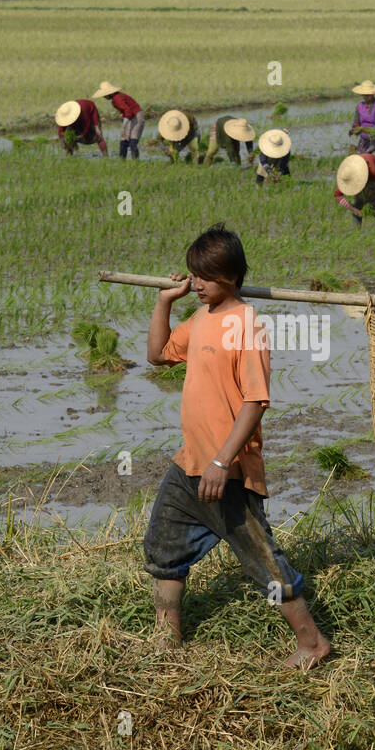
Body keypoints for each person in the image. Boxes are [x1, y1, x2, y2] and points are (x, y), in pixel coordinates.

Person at [144, 223, 333, 669]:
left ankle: (312, 643)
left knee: (263, 562)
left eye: (205, 278)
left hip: (224, 471)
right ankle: (166, 641)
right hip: (189, 464)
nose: (197, 285)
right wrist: (162, 303)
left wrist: (220, 460)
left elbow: (255, 401)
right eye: (194, 276)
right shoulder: (201, 318)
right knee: (163, 547)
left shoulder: (246, 324)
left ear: (230, 277)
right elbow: (157, 355)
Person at [334, 153, 375, 231]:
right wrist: (354, 209)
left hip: (373, 165)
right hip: (359, 166)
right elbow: (337, 195)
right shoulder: (347, 175)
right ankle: (356, 234)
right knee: (358, 203)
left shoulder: (373, 171)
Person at [93, 80, 144, 159]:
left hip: (136, 117)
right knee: (124, 140)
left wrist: (123, 126)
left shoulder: (117, 98)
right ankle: (122, 161)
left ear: (108, 94)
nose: (104, 97)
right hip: (131, 117)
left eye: (104, 95)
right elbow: (126, 111)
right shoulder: (116, 98)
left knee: (133, 142)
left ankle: (135, 163)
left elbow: (128, 111)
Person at [349, 81, 375, 158]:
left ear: (373, 94)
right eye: (365, 95)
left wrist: (362, 129)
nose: (366, 96)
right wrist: (353, 130)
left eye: (369, 95)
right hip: (363, 140)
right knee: (361, 164)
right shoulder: (359, 106)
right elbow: (356, 123)